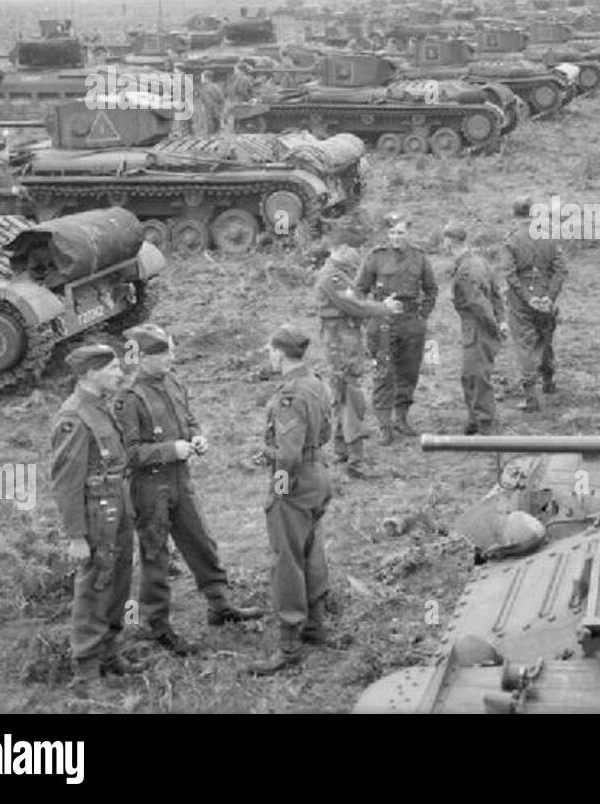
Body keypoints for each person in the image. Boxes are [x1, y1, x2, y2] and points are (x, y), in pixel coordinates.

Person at [111, 324, 262, 656]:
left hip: (180, 478)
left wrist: (196, 437)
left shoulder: (174, 381)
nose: (170, 358)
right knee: (155, 554)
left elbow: (189, 418)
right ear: (143, 358)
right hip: (149, 486)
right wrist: (170, 450)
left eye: (169, 352)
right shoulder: (128, 398)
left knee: (201, 540)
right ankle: (157, 625)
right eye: (162, 354)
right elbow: (128, 454)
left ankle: (219, 605)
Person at [50, 344, 142, 692]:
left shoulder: (100, 408)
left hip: (117, 506)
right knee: (94, 586)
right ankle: (86, 670)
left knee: (118, 579)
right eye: (112, 367)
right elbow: (66, 483)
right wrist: (75, 536)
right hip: (95, 514)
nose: (120, 372)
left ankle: (109, 653)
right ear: (89, 373)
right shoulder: (74, 418)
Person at [248, 326, 334, 675]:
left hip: (292, 481)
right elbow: (326, 433)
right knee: (313, 552)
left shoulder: (290, 395)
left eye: (271, 351)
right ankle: (316, 626)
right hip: (317, 475)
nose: (269, 356)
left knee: (287, 559)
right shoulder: (316, 383)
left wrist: (266, 458)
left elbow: (286, 456)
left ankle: (289, 643)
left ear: (281, 354)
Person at [315, 245, 402, 476]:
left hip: (344, 345)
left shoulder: (336, 276)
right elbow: (353, 305)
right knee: (351, 399)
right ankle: (356, 459)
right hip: (342, 347)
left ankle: (342, 450)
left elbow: (355, 302)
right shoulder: (332, 278)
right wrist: (383, 308)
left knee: (343, 397)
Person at [355, 214, 438, 444]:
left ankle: (401, 418)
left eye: (400, 232)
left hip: (411, 322)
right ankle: (384, 424)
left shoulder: (420, 257)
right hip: (382, 322)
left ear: (408, 233)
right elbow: (360, 289)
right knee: (383, 373)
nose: (396, 237)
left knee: (409, 372)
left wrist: (423, 314)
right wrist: (368, 313)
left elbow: (431, 288)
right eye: (392, 233)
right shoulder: (376, 257)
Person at [502, 196, 566, 412]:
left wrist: (528, 298)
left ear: (515, 215)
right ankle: (548, 382)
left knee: (525, 345)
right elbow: (560, 269)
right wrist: (549, 296)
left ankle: (531, 397)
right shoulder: (548, 236)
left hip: (522, 302)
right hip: (545, 295)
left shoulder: (511, 240)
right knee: (545, 339)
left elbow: (510, 275)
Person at [442, 222, 506, 433]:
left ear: (449, 242)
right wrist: (501, 320)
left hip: (477, 327)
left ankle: (485, 423)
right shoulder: (479, 262)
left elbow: (478, 303)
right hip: (477, 326)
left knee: (477, 377)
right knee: (469, 375)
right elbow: (496, 293)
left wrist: (494, 326)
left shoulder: (467, 268)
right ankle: (474, 419)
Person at [192, 70, 224, 136]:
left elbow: (209, 102)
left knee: (210, 131)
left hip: (210, 112)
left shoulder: (207, 88)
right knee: (216, 131)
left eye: (202, 77)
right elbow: (221, 99)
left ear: (206, 78)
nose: (201, 79)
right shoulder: (216, 86)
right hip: (217, 111)